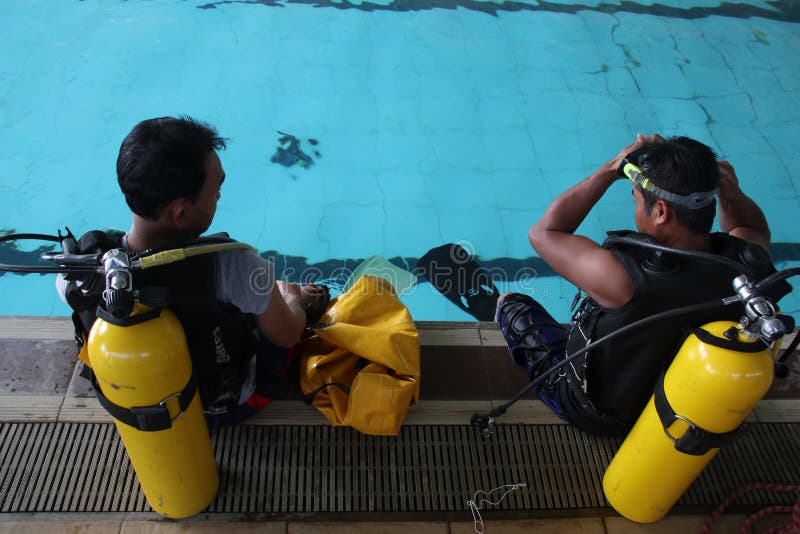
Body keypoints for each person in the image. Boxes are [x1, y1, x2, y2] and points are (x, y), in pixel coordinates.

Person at [495, 134, 791, 437]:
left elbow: (544, 233)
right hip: (686, 410)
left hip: (603, 415)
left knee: (511, 302)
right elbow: (751, 227)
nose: (636, 207)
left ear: (661, 212)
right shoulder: (747, 265)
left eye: (635, 201)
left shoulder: (622, 278)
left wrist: (611, 169)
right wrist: (732, 193)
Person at [59, 116, 329, 428]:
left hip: (135, 406)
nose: (219, 196)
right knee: (285, 317)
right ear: (181, 212)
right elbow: (286, 335)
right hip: (218, 407)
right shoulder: (234, 266)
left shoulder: (86, 266)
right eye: (216, 189)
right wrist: (294, 299)